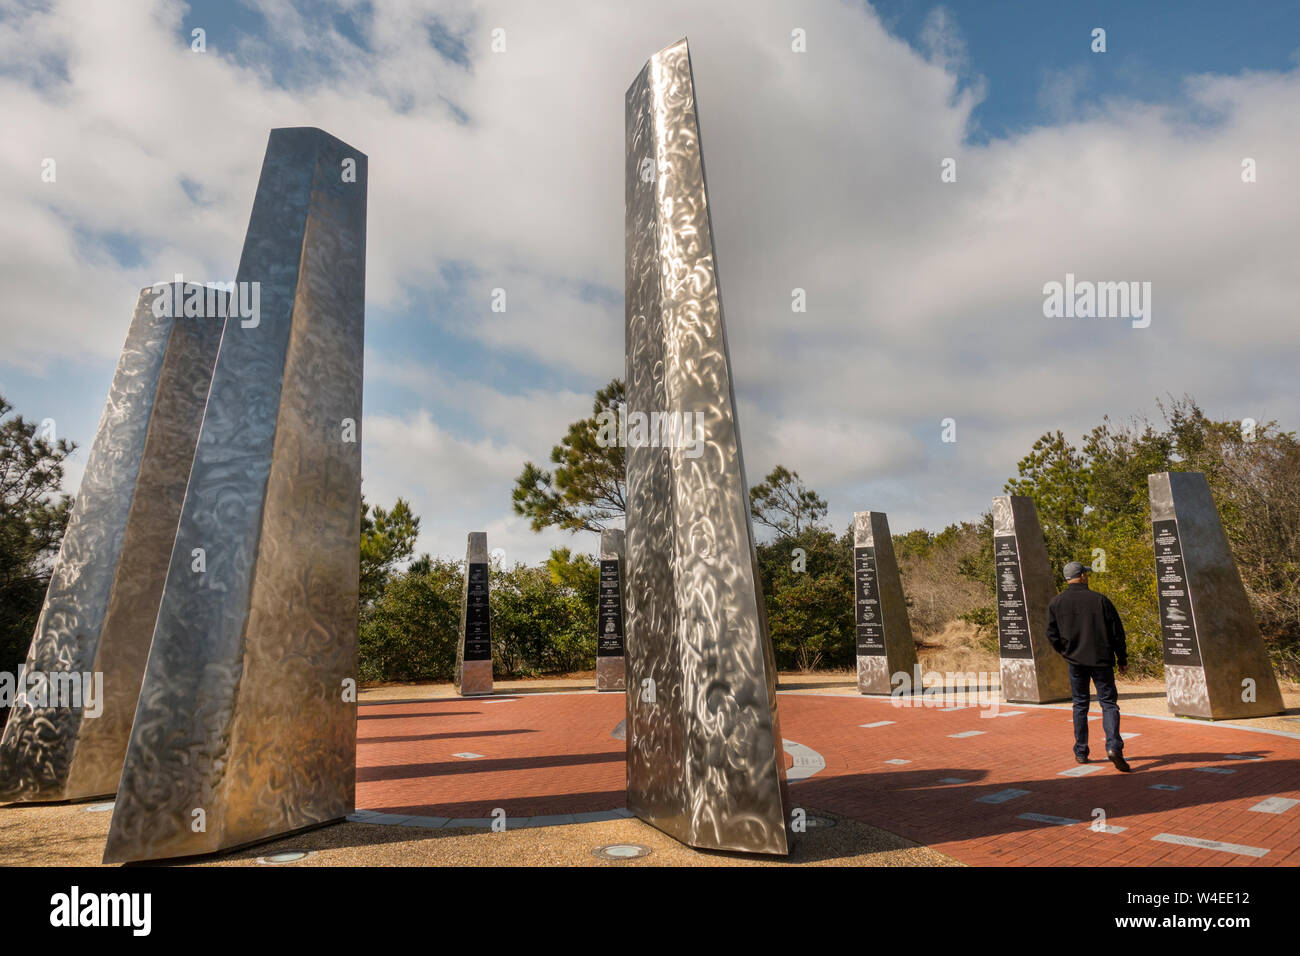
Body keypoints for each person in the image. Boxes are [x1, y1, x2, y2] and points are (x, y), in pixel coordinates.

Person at [1046, 561, 1131, 772]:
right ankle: (1113, 746)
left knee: (1080, 705)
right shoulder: (1100, 600)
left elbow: (1051, 634)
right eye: (1086, 573)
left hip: (1075, 661)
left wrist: (1065, 652)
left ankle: (1081, 751)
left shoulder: (1056, 603)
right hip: (1101, 660)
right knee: (1109, 704)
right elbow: (1117, 633)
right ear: (1082, 576)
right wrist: (1122, 659)